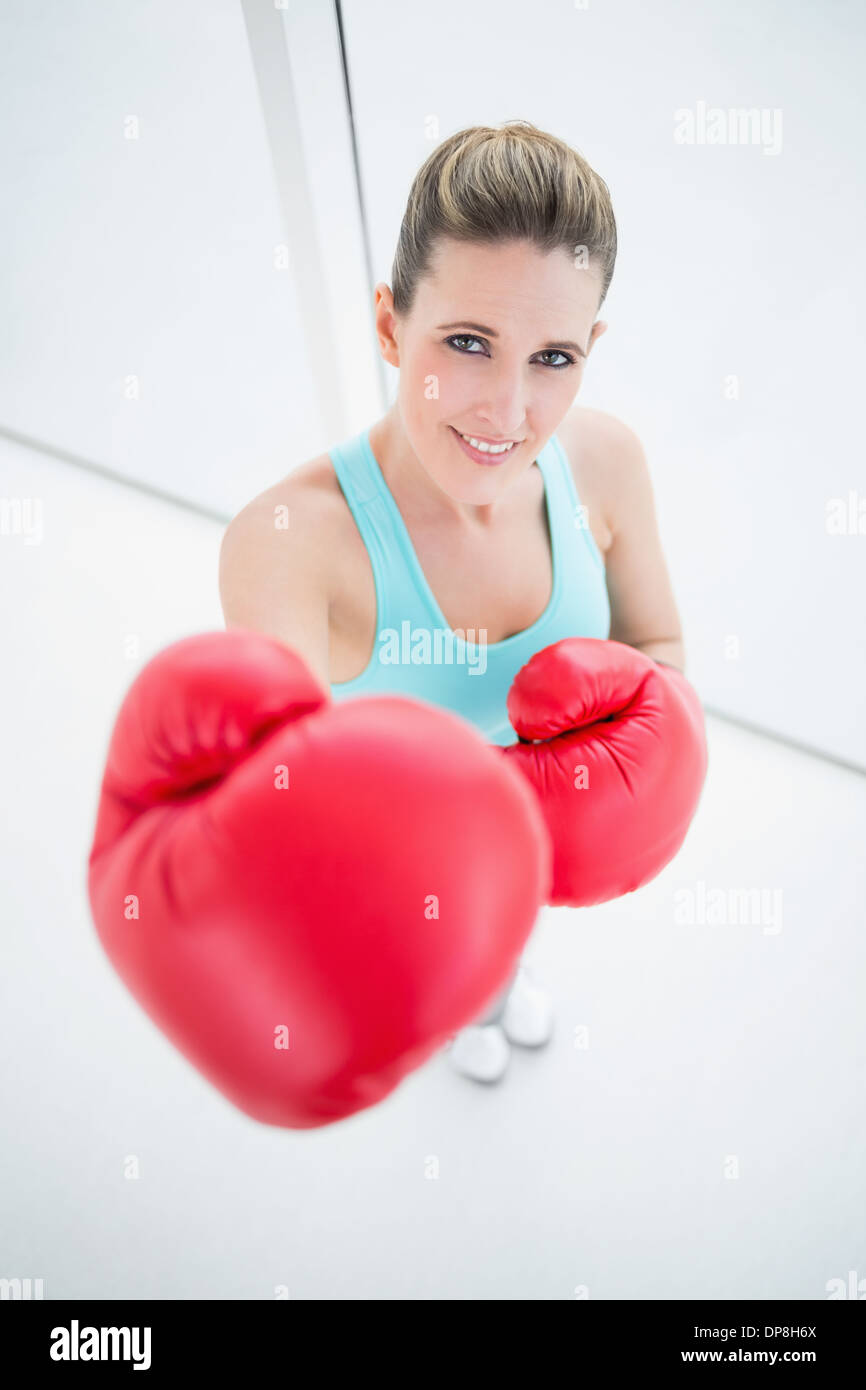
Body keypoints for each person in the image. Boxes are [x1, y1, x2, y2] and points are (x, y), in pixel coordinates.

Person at [219, 121, 685, 1085]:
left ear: (592, 347)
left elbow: (659, 643)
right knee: (445, 981)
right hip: (398, 897)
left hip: (524, 884)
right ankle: (459, 1012)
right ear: (390, 327)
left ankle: (499, 991)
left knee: (502, 959)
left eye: (553, 357)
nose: (506, 412)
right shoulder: (291, 546)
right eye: (468, 343)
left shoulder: (604, 463)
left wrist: (643, 770)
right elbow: (286, 810)